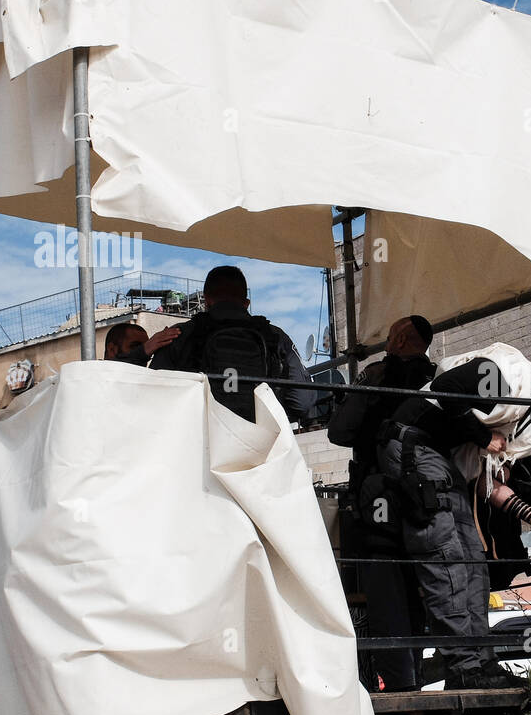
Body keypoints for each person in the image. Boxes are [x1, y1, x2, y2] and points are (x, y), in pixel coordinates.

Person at [377, 344, 531, 689]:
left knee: (474, 563)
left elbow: (492, 485)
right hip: (416, 446)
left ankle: (480, 661)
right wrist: (483, 437)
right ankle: (463, 664)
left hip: (444, 464)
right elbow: (445, 390)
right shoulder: (508, 376)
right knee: (448, 556)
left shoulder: (522, 416)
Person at [327, 315, 437, 692]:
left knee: (384, 590)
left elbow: (339, 432)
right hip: (425, 501)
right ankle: (417, 681)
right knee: (419, 591)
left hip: (379, 499)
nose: (386, 342)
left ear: (402, 339)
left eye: (390, 335)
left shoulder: (374, 375)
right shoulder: (435, 379)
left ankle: (399, 688)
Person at [149, 265, 317, 424]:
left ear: (206, 301)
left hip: (199, 441)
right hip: (260, 442)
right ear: (246, 303)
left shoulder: (178, 334)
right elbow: (302, 402)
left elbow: (154, 396)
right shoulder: (275, 336)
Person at [103, 322, 179, 367]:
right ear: (111, 350)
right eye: (135, 346)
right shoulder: (95, 376)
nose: (147, 355)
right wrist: (142, 352)